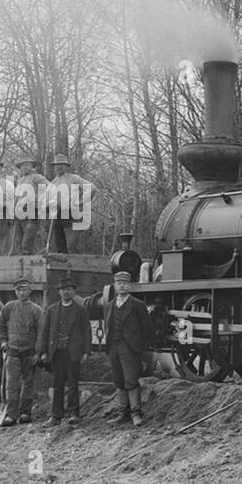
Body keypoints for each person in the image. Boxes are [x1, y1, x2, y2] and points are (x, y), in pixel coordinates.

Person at [37, 276, 91, 427]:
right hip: (57, 352)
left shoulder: (80, 310)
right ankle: (56, 416)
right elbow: (45, 331)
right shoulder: (52, 310)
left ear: (73, 291)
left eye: (69, 289)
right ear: (59, 292)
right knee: (57, 384)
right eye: (63, 290)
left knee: (73, 384)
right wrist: (43, 351)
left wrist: (86, 351)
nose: (66, 292)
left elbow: (87, 332)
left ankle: (74, 414)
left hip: (73, 352)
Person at [103, 270, 152, 427]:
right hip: (113, 347)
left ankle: (136, 413)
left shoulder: (138, 305)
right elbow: (107, 326)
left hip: (129, 348)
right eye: (119, 283)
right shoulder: (109, 306)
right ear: (115, 286)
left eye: (125, 283)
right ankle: (122, 413)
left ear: (129, 285)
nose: (122, 286)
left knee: (131, 380)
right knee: (119, 380)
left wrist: (139, 347)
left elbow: (147, 328)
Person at [0, 277, 42, 426]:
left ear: (30, 291)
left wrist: (38, 352)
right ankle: (11, 414)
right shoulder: (9, 307)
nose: (22, 293)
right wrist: (3, 341)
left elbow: (42, 332)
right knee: (11, 384)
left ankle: (25, 413)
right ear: (15, 292)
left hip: (29, 353)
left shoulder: (36, 310)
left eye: (24, 289)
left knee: (28, 384)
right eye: (19, 290)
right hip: (13, 352)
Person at [46, 154, 94, 253]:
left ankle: (78, 267)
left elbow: (92, 188)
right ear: (54, 167)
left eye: (62, 164)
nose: (59, 167)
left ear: (66, 166)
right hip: (58, 217)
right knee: (60, 248)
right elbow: (46, 203)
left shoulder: (74, 178)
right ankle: (64, 268)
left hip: (73, 215)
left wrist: (81, 203)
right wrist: (50, 205)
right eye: (57, 165)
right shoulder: (52, 184)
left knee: (72, 245)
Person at [13, 157, 48, 254]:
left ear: (32, 166)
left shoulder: (37, 177)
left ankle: (32, 263)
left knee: (27, 242)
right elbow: (17, 196)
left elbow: (49, 188)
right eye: (23, 166)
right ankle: (25, 264)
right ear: (20, 168)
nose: (25, 167)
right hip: (20, 213)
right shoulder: (19, 180)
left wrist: (37, 199)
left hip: (32, 212)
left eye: (27, 165)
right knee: (19, 243)